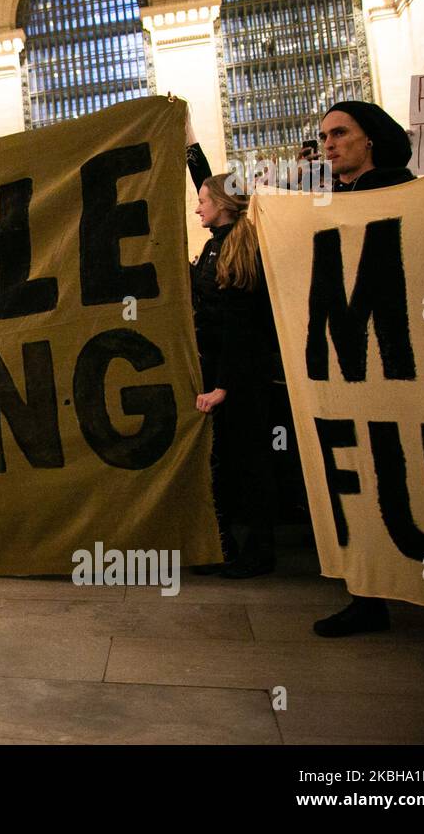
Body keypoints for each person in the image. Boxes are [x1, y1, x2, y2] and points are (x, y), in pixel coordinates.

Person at [303, 102, 424, 663]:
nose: (329, 144)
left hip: (414, 363)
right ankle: (368, 595)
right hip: (356, 371)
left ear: (371, 139)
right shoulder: (327, 206)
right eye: (324, 136)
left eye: (340, 133)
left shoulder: (408, 190)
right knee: (364, 478)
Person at [189, 173, 280, 578]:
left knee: (249, 463)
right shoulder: (214, 246)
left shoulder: (241, 249)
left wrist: (224, 385)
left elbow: (239, 326)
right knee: (226, 461)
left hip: (242, 377)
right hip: (223, 371)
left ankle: (258, 551)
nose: (197, 208)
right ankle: (226, 546)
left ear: (223, 204)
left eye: (203, 201)